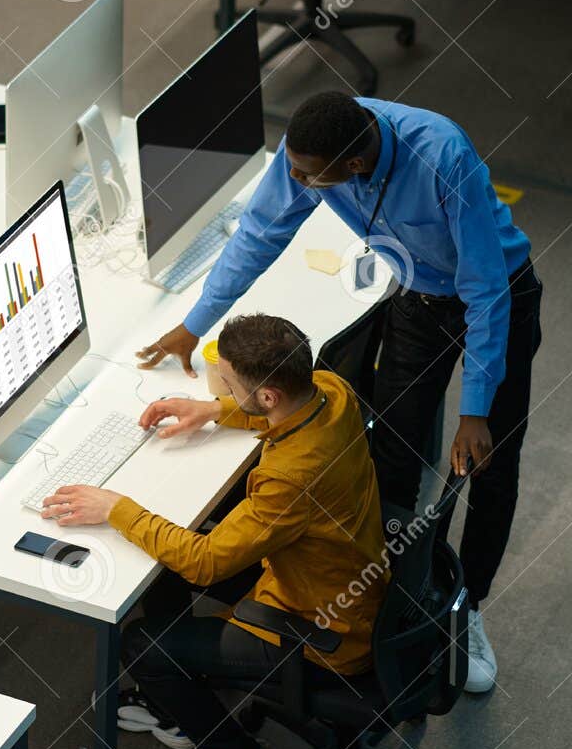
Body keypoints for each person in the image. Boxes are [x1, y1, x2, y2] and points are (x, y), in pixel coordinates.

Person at [135, 91, 541, 693]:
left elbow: (485, 290)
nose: (293, 179)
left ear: (353, 165)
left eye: (305, 175)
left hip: (500, 292)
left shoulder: (441, 155)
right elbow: (262, 231)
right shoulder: (315, 142)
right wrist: (195, 324)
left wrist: (474, 411)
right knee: (392, 457)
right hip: (420, 293)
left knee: (490, 461)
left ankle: (468, 611)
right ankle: (383, 608)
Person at [40, 314, 387, 749]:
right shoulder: (329, 389)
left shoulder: (290, 477)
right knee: (164, 560)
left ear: (267, 395)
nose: (220, 382)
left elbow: (206, 565)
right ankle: (180, 696)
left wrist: (115, 508)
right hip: (339, 574)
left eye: (227, 379)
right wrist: (212, 409)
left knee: (143, 645)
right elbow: (272, 409)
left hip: (321, 629)